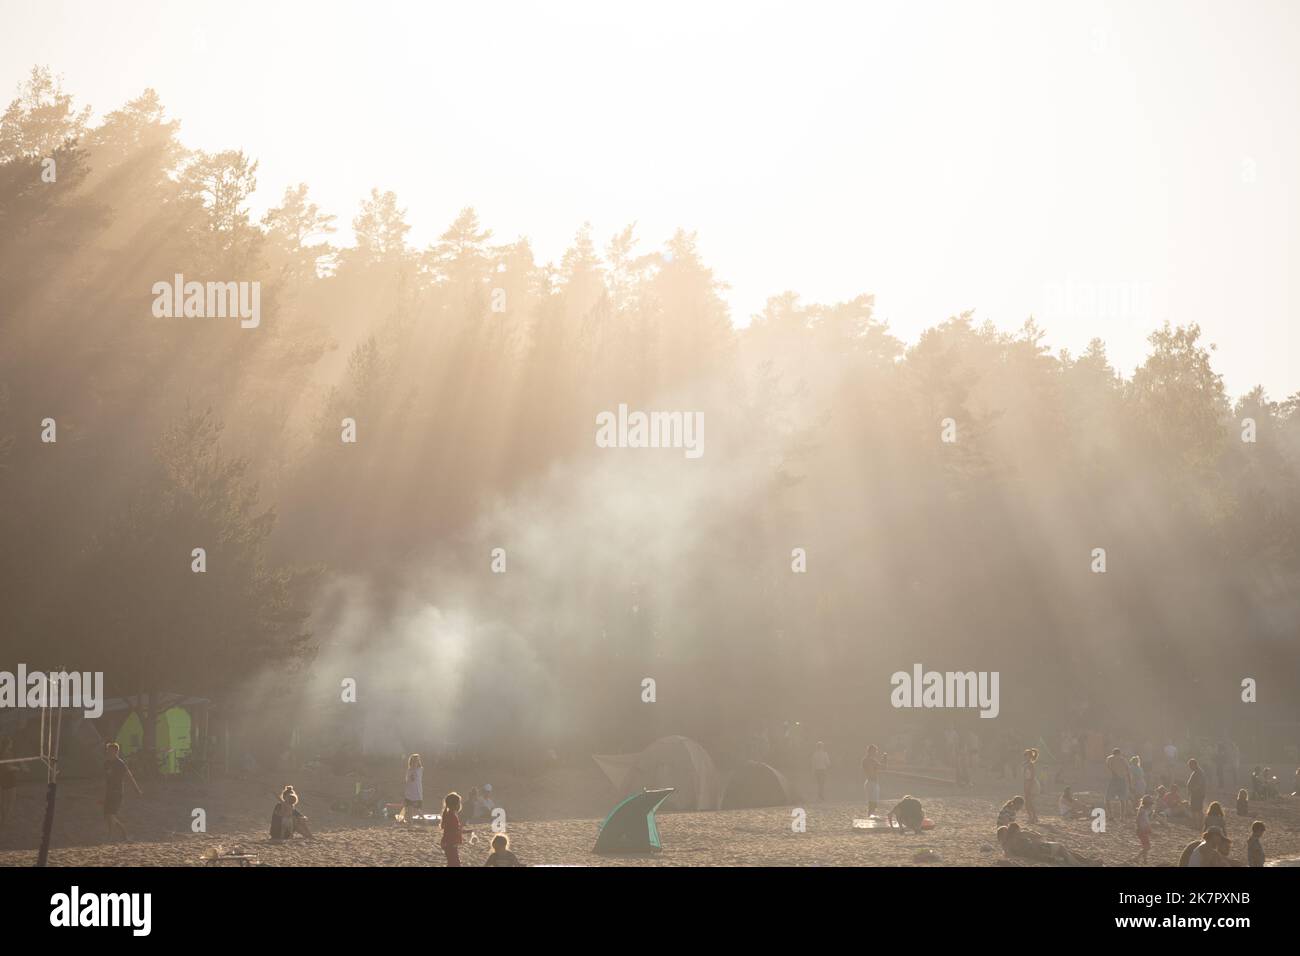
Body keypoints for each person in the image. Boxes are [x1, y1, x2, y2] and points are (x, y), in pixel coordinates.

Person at [996, 823, 1101, 866]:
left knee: (1065, 852)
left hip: (1038, 850)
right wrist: (1029, 834)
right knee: (1061, 848)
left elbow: (1012, 855)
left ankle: (1087, 861)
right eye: (1006, 830)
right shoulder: (1019, 836)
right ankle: (1082, 865)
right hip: (1039, 850)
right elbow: (1038, 836)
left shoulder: (1006, 846)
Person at [103, 742, 142, 842]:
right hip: (108, 792)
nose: (108, 752)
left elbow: (129, 776)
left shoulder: (120, 763)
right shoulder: (106, 763)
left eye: (110, 750)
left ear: (115, 751)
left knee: (111, 815)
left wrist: (136, 789)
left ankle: (110, 838)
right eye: (107, 750)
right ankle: (124, 832)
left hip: (117, 792)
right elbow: (105, 779)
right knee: (108, 816)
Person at [439, 792, 470, 867]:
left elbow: (452, 829)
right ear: (455, 805)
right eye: (459, 803)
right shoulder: (452, 816)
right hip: (450, 843)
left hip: (448, 842)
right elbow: (455, 830)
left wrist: (466, 831)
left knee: (452, 862)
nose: (460, 804)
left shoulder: (449, 814)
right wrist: (465, 830)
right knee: (455, 863)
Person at [0, 737, 22, 832]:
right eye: (11, 743)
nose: (12, 744)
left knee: (4, 802)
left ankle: (4, 820)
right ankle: (5, 821)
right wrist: (18, 769)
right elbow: (7, 767)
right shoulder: (7, 753)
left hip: (3, 779)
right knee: (10, 802)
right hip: (10, 780)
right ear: (8, 744)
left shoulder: (3, 753)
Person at [1105, 748, 1130, 820]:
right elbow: (1128, 772)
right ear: (1120, 753)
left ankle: (1110, 815)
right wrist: (1130, 783)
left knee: (1107, 798)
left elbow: (1109, 768)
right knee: (1122, 799)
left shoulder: (1109, 758)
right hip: (1122, 780)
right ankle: (1122, 817)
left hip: (1114, 779)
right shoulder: (1123, 760)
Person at [861, 745, 886, 816]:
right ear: (872, 751)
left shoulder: (865, 760)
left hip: (868, 782)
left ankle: (870, 814)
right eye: (875, 751)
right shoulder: (872, 760)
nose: (876, 753)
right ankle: (870, 814)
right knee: (873, 802)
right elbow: (883, 767)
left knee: (871, 801)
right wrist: (885, 759)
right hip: (873, 782)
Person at [1133, 794, 1154, 865]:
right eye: (1150, 803)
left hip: (1144, 830)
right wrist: (1140, 828)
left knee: (1146, 846)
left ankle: (1145, 860)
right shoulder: (1142, 810)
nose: (1151, 805)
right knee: (1147, 847)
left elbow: (1147, 820)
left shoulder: (1145, 810)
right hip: (1141, 831)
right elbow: (1137, 820)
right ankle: (1137, 858)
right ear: (1146, 803)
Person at [402, 754, 423, 822]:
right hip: (410, 792)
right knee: (409, 809)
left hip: (417, 793)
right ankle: (410, 822)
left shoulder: (419, 769)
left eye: (417, 761)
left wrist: (413, 770)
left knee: (418, 810)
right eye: (414, 761)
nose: (415, 763)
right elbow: (408, 780)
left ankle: (425, 822)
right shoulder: (409, 770)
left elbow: (414, 778)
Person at [1022, 748, 1040, 824]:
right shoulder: (1025, 764)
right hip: (1027, 783)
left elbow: (1032, 776)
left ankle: (1032, 818)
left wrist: (1029, 787)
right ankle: (1033, 817)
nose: (1025, 757)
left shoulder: (1030, 764)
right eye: (1025, 755)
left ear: (1029, 756)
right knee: (1028, 802)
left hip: (1031, 784)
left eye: (1027, 756)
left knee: (1029, 802)